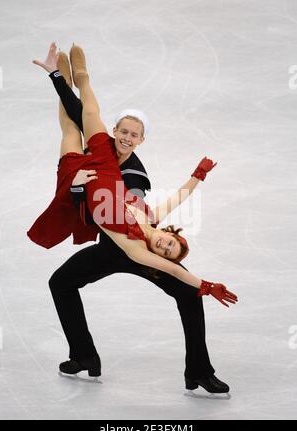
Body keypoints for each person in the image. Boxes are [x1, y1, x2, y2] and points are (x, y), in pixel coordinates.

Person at [29, 43, 237, 393]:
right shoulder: (109, 154)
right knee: (61, 283)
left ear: (141, 141)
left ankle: (199, 371)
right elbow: (80, 115)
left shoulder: (137, 180)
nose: (126, 138)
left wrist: (202, 284)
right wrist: (197, 176)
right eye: (122, 132)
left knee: (188, 293)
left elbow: (167, 262)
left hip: (130, 246)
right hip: (110, 246)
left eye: (133, 136)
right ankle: (84, 356)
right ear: (116, 132)